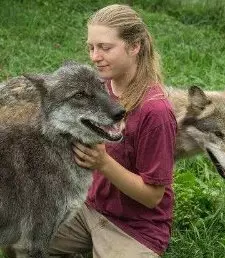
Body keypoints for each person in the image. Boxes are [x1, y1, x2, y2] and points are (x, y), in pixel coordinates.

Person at [50, 4, 177, 258]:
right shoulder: (98, 89)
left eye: (105, 48)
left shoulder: (156, 112)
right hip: (88, 208)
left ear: (134, 47)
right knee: (19, 239)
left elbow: (153, 197)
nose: (95, 56)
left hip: (134, 227)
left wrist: (103, 163)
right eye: (91, 47)